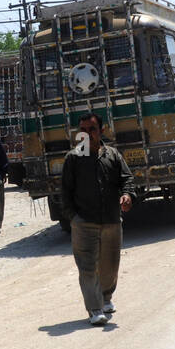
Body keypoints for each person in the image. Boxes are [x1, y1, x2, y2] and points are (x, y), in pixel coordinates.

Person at [60, 112, 137, 327]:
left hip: (111, 219)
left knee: (110, 265)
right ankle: (94, 309)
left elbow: (127, 179)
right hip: (84, 220)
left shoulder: (112, 155)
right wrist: (73, 217)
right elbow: (65, 191)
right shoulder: (73, 158)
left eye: (91, 129)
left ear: (101, 130)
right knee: (87, 267)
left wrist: (127, 195)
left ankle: (106, 298)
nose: (87, 134)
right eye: (82, 130)